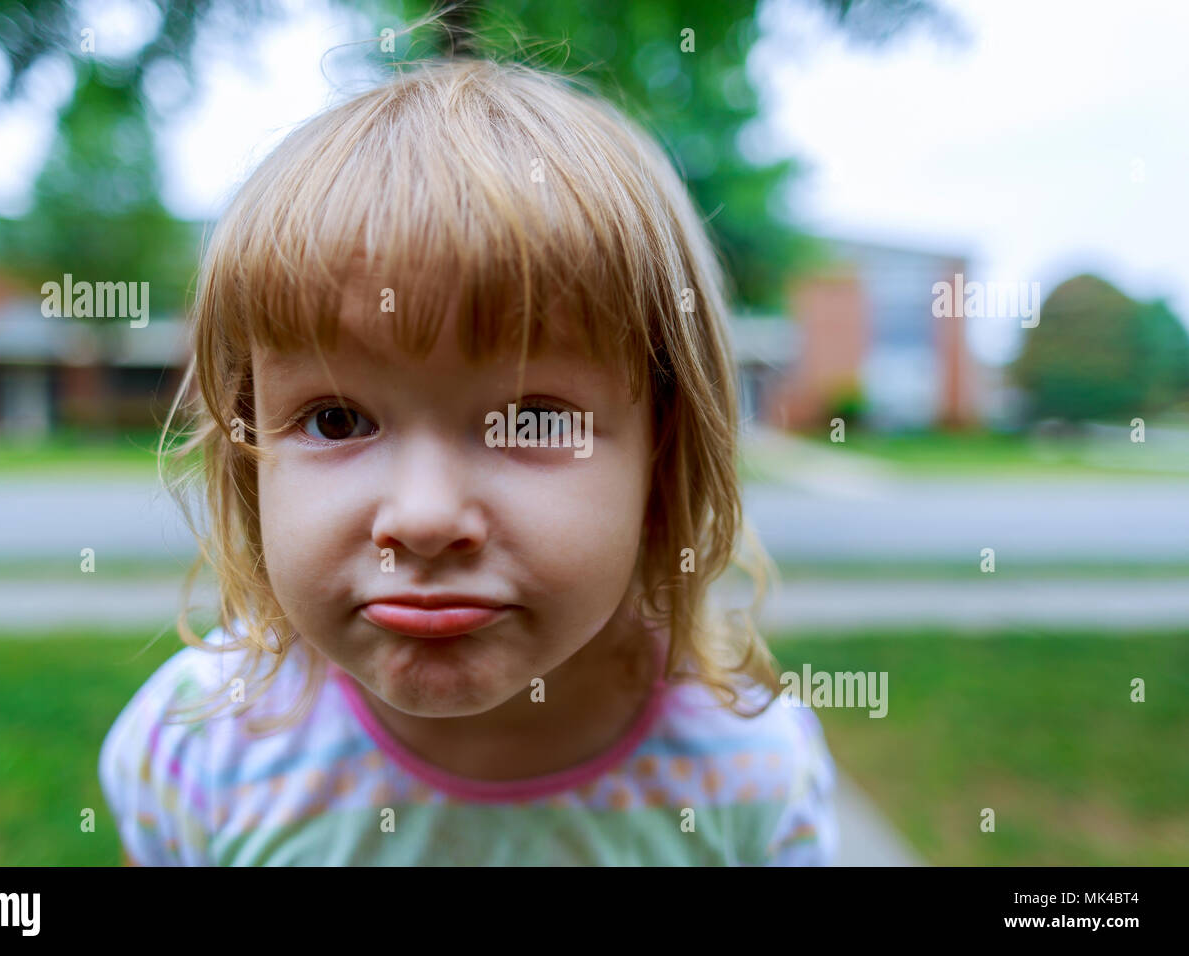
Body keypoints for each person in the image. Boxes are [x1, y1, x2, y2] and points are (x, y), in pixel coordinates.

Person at [99, 53, 837, 866]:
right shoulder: (201, 751)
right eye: (337, 419)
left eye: (532, 420)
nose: (422, 517)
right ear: (248, 456)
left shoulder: (746, 778)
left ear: (664, 459)